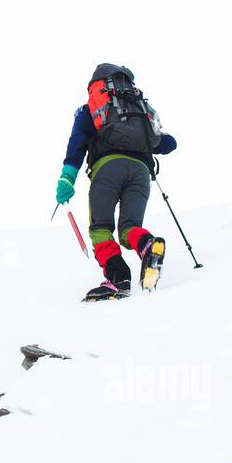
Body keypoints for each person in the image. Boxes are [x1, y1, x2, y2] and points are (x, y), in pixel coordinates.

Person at [56, 63, 178, 299]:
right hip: (141, 172)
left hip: (107, 170)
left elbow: (77, 144)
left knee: (101, 229)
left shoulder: (89, 110)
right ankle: (147, 245)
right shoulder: (140, 111)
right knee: (129, 228)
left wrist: (67, 178)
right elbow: (168, 144)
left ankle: (117, 278)